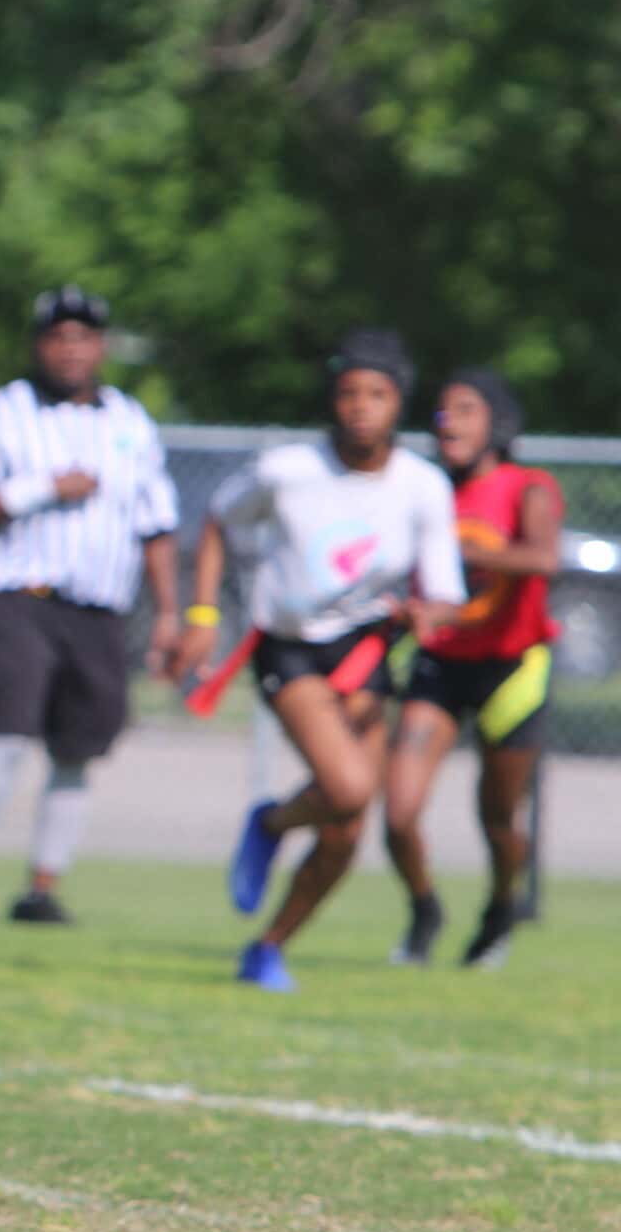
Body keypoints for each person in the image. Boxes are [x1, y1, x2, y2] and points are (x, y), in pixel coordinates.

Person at [173, 328, 462, 991]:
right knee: (349, 787)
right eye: (349, 393)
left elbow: (445, 594)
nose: (362, 406)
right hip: (290, 647)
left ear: (400, 404)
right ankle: (271, 821)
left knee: (345, 830)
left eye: (378, 394)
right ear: (334, 400)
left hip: (366, 649)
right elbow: (218, 520)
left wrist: (427, 613)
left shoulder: (422, 486)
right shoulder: (289, 471)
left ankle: (268, 947)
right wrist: (202, 613)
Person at [0, 286, 179, 926]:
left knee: (78, 748)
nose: (71, 350)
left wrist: (170, 613)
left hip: (98, 606)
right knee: (11, 735)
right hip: (17, 594)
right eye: (58, 336)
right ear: (39, 344)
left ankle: (42, 886)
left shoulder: (130, 422)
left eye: (84, 337)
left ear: (101, 346)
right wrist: (42, 489)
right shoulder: (2, 412)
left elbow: (158, 523)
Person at [382, 368, 561, 968]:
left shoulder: (526, 486)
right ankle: (424, 908)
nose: (447, 421)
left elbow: (542, 556)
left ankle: (501, 908)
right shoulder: (427, 490)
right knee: (399, 810)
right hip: (440, 662)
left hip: (510, 666)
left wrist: (473, 554)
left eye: (465, 409)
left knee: (498, 818)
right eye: (441, 410)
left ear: (497, 423)